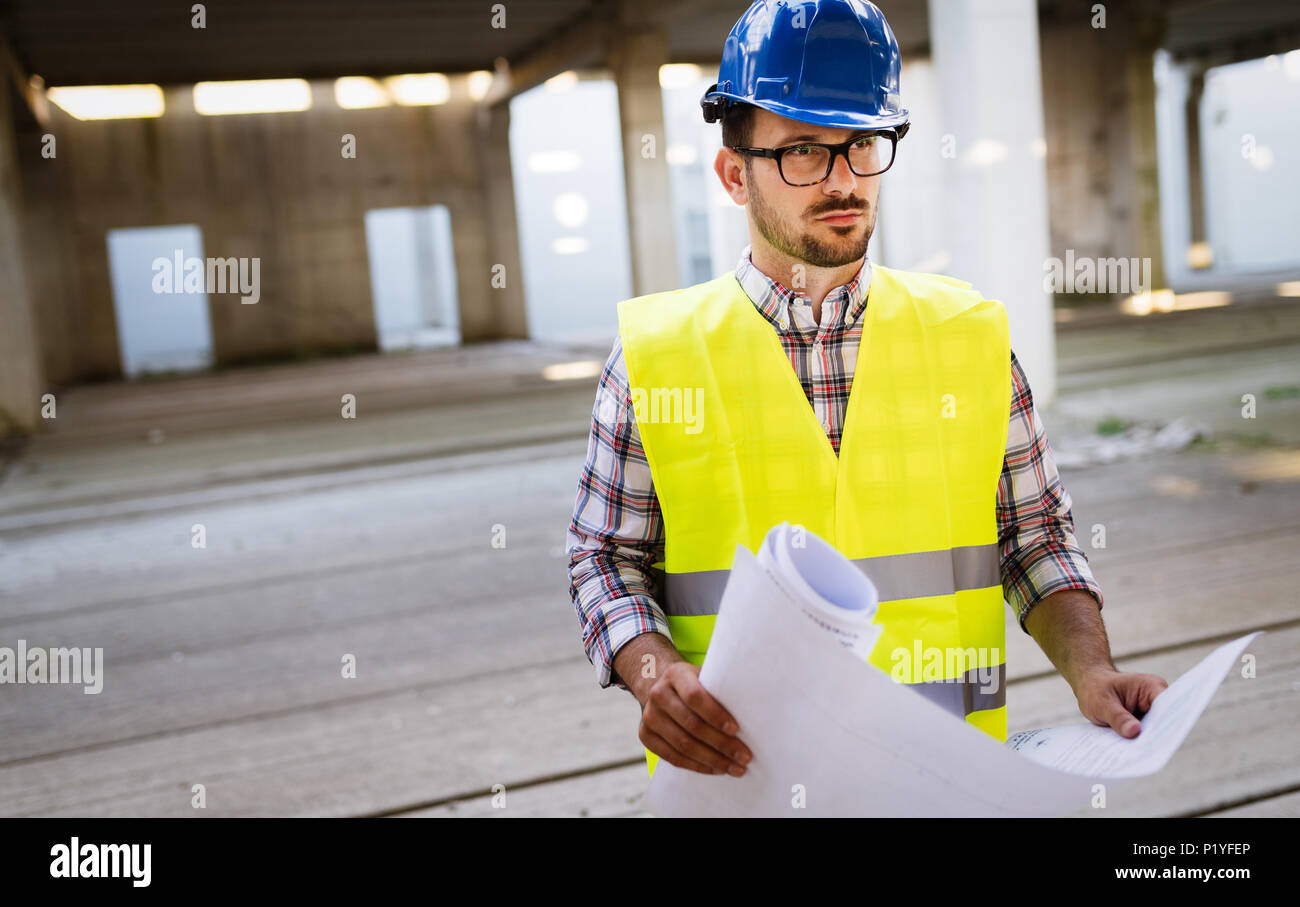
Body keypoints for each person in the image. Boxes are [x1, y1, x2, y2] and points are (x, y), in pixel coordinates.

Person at [566, 0, 1167, 780]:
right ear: (733, 175)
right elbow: (604, 559)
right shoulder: (655, 357)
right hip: (748, 788)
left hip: (946, 781)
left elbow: (1036, 540)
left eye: (861, 145)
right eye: (805, 153)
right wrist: (652, 673)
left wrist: (1092, 669)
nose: (844, 179)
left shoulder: (970, 337)